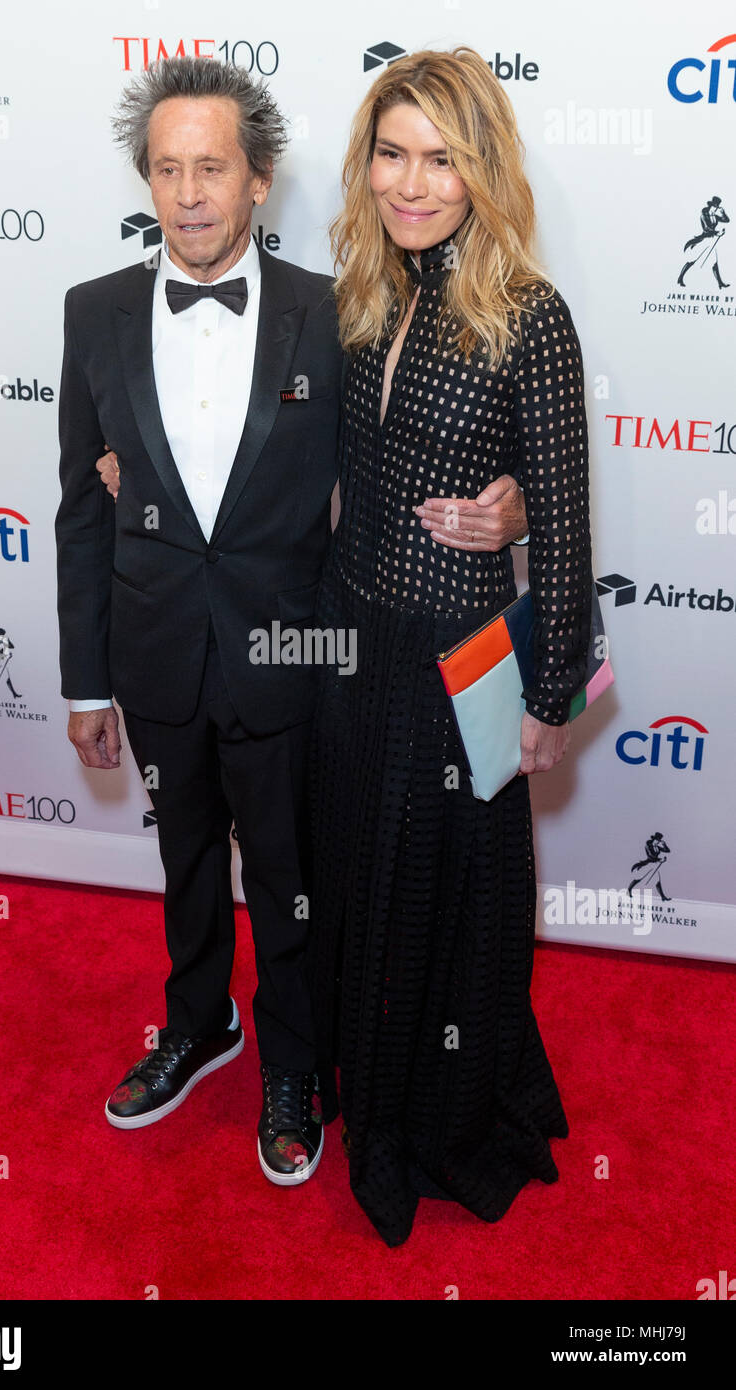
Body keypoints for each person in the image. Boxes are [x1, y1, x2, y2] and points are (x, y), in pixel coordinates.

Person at [73, 58, 528, 1190]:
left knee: (286, 872)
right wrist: (88, 682)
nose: (189, 194)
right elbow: (80, 512)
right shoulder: (95, 312)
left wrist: (509, 499)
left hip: (295, 655)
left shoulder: (342, 314)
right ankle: (195, 1024)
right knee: (182, 861)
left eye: (212, 167)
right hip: (156, 653)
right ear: (147, 180)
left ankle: (290, 1066)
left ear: (259, 179)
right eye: (168, 170)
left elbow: (427, 434)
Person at [305, 47, 594, 1245]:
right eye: (391, 152)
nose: (411, 183)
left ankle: (431, 1116)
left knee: (443, 893)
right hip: (349, 641)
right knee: (354, 876)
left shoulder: (527, 315)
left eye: (439, 158)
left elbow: (567, 523)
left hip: (456, 657)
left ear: (481, 169)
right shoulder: (361, 289)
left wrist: (550, 692)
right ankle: (352, 1077)